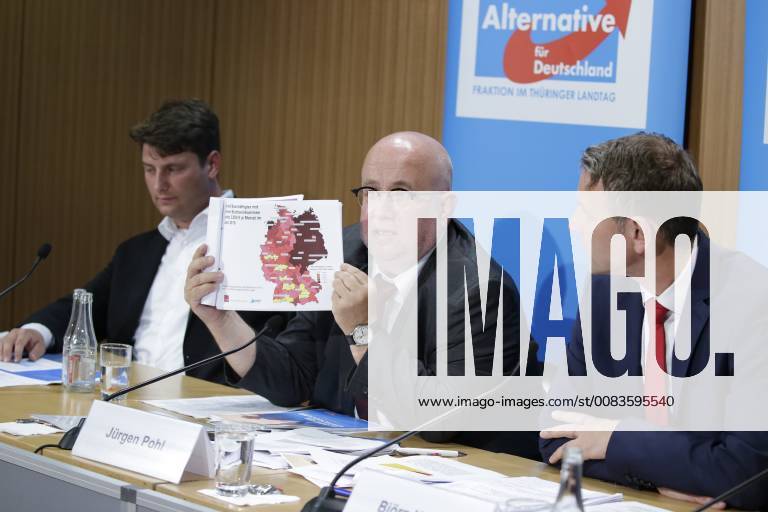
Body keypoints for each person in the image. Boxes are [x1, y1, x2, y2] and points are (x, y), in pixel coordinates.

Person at [185, 131, 541, 459]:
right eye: (370, 192)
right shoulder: (340, 251)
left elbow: (439, 423)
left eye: (400, 194)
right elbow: (291, 378)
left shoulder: (479, 292)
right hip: (341, 457)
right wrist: (221, 319)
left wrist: (363, 332)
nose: (380, 209)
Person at [539, 133, 768, 509]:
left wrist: (615, 438)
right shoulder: (603, 294)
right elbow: (556, 435)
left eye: (586, 213)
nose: (574, 225)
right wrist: (659, 473)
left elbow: (746, 470)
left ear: (636, 234)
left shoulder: (754, 304)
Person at [0, 99, 287, 384]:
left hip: (210, 403)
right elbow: (87, 303)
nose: (159, 184)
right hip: (125, 396)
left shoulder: (264, 239)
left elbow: (285, 347)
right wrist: (36, 331)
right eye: (150, 169)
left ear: (212, 164)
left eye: (173, 169)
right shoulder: (136, 251)